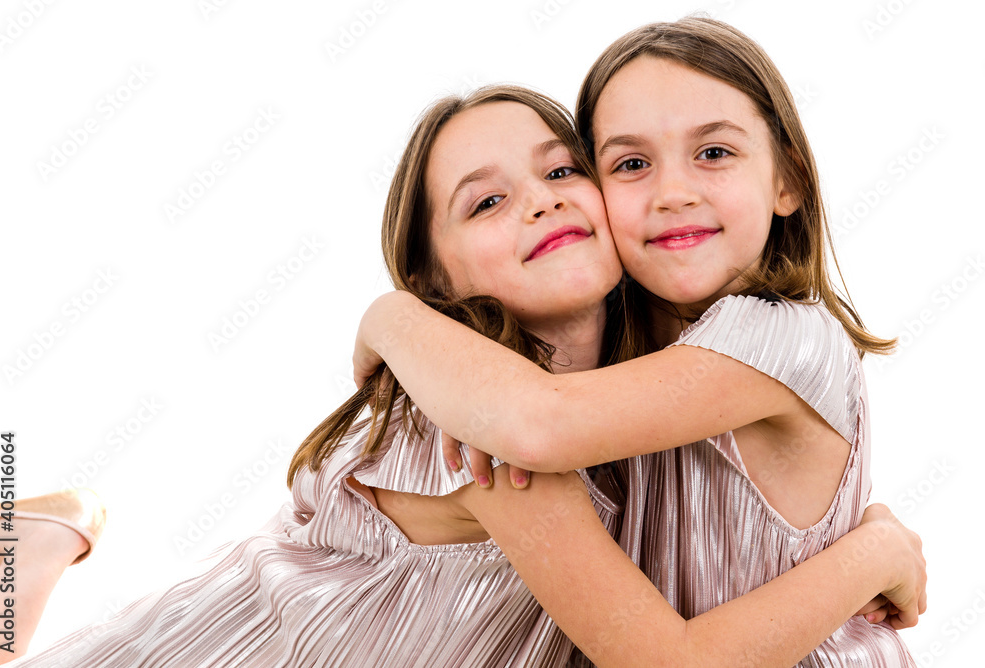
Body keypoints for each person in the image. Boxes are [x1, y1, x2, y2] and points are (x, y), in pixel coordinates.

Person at [0, 86, 922, 668]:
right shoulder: (488, 424)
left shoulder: (640, 389)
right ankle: (34, 542)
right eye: (487, 202)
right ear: (438, 280)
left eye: (564, 168)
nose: (541, 198)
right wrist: (872, 554)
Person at [352, 18, 920, 667]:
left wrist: (391, 319)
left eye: (714, 152)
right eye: (630, 163)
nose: (673, 193)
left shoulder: (780, 334)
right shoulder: (625, 352)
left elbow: (541, 423)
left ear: (786, 181)